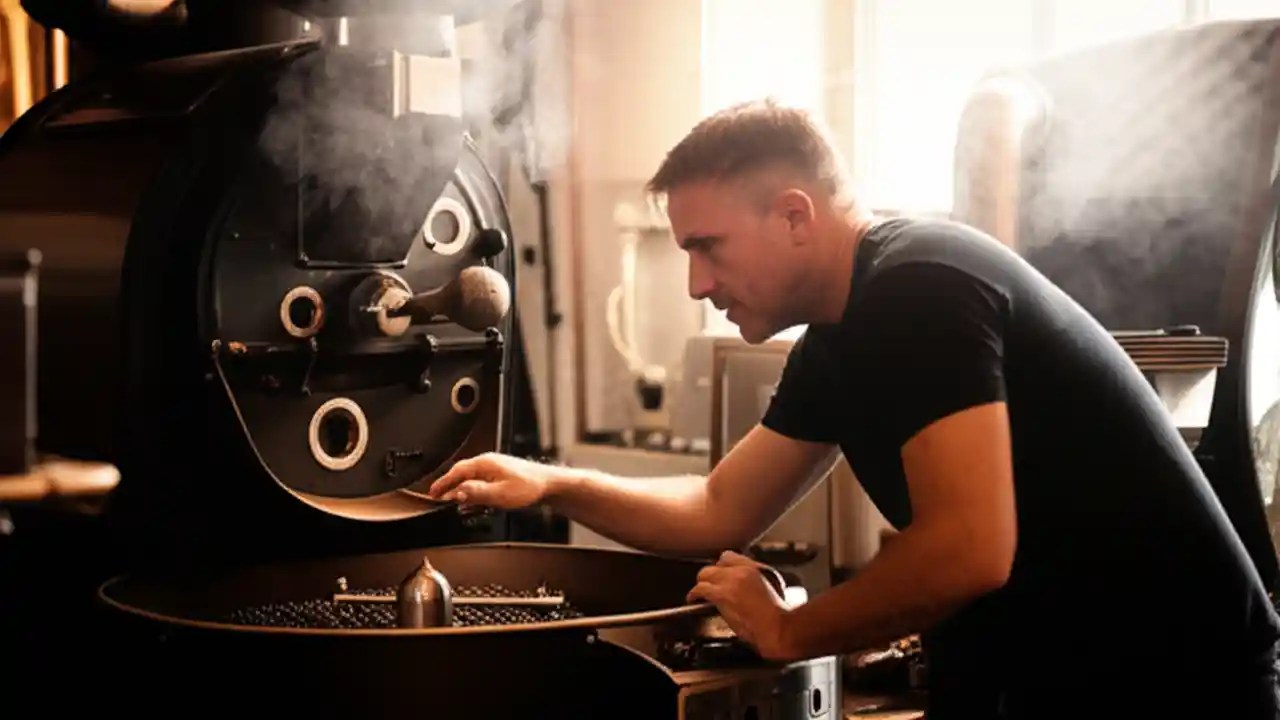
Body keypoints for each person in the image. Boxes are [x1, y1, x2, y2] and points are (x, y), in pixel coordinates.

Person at [428, 98, 1280, 718]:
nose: (696, 283)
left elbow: (970, 551)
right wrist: (547, 485)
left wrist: (794, 632)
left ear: (795, 215)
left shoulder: (919, 289)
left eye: (707, 247)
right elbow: (718, 508)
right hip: (1061, 677)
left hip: (1176, 686)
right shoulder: (840, 338)